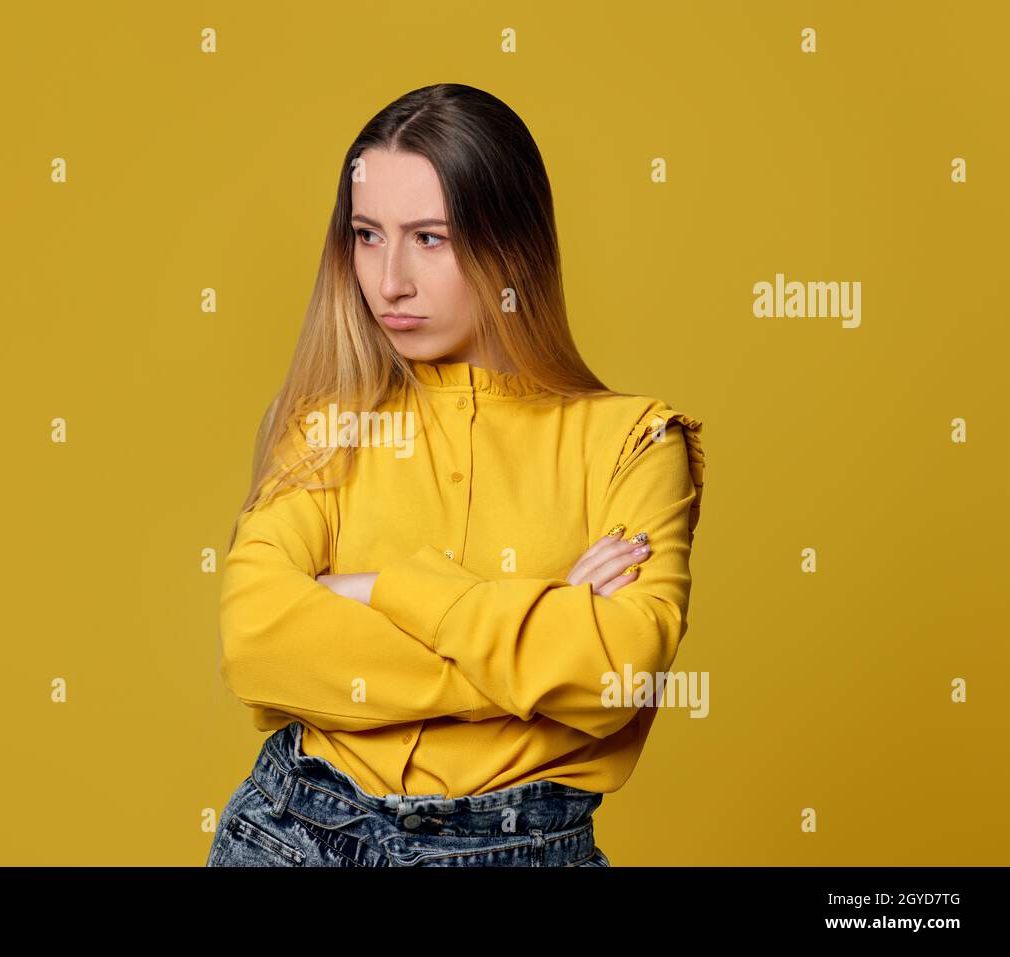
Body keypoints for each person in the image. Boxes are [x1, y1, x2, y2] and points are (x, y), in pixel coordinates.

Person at [208, 83, 705, 867]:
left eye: (430, 238)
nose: (389, 281)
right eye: (367, 235)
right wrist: (540, 632)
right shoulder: (326, 427)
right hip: (290, 831)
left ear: (514, 246)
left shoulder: (633, 442)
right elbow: (256, 641)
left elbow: (616, 674)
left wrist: (375, 588)